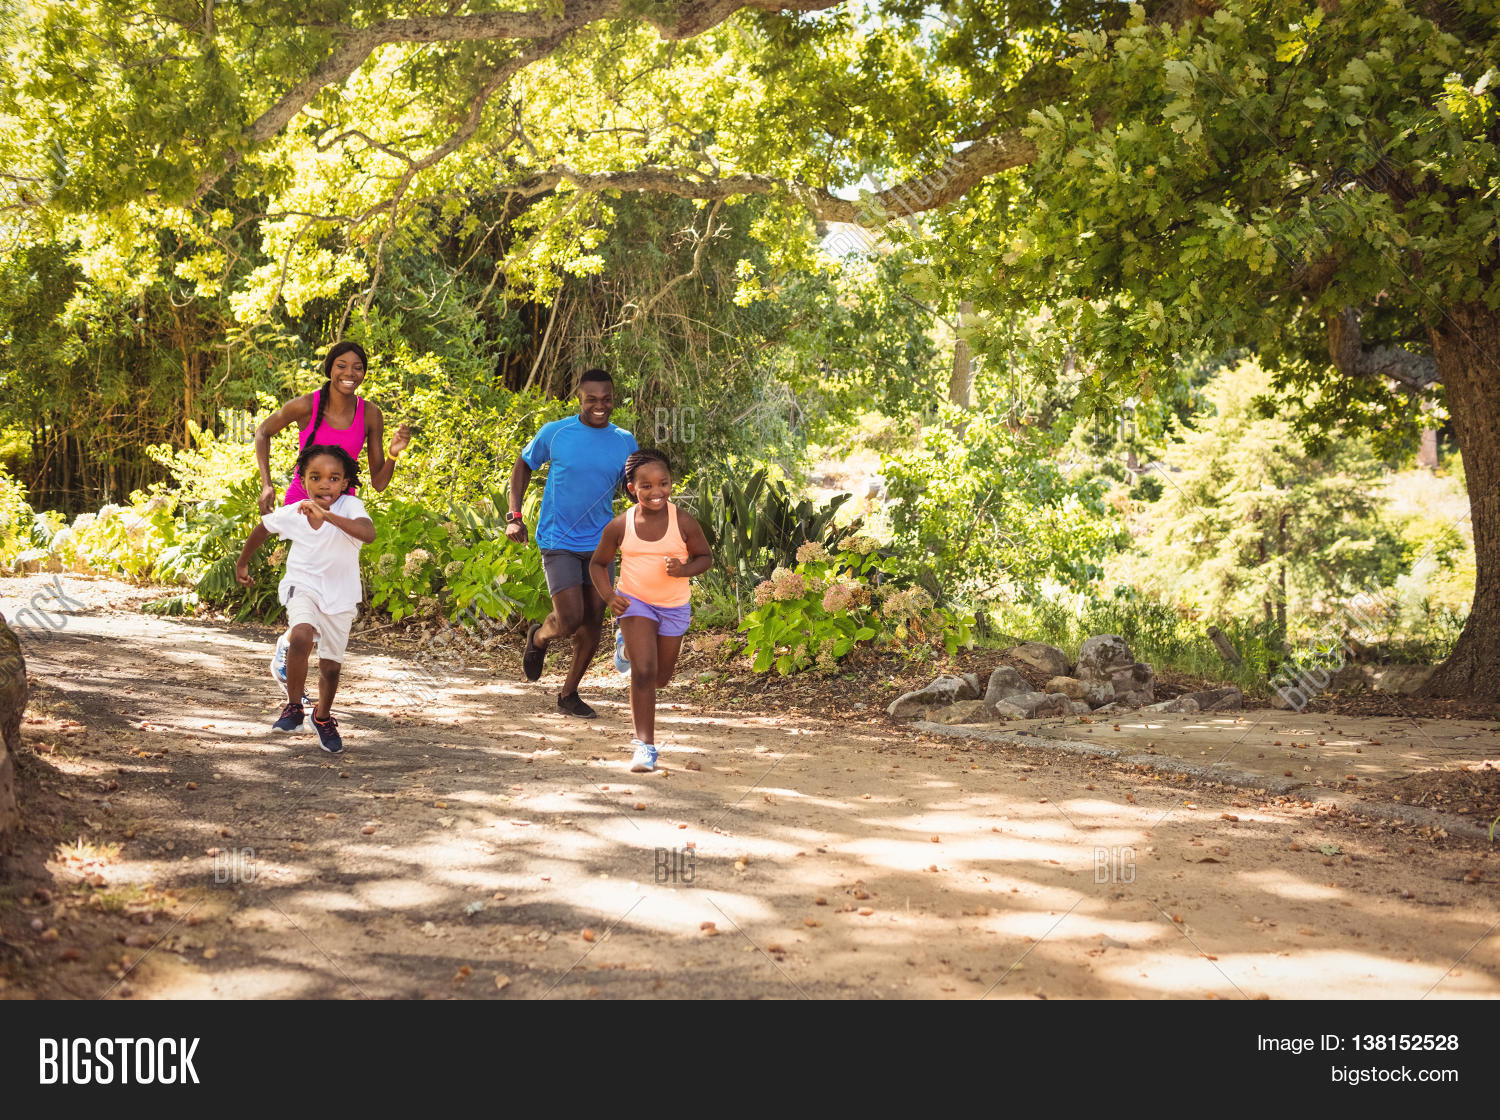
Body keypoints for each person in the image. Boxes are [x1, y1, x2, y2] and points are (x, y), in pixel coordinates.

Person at [507, 368, 637, 718]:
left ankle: (568, 694)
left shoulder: (625, 441)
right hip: (558, 538)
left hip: (600, 542)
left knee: (593, 619)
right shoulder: (557, 432)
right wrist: (513, 515)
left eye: (606, 399)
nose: (600, 406)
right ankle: (538, 637)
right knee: (569, 618)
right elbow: (523, 463)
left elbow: (636, 486)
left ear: (613, 399)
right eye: (592, 399)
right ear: (579, 398)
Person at [235, 444, 374, 755]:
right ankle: (294, 706)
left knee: (331, 669)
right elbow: (263, 528)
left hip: (340, 596)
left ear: (346, 482)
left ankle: (322, 718)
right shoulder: (296, 511)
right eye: (316, 477)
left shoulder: (351, 507)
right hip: (303, 585)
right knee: (300, 635)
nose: (325, 484)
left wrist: (327, 516)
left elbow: (368, 533)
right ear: (304, 480)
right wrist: (242, 563)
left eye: (334, 478)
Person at [590, 449, 712, 772]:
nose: (656, 492)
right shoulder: (621, 525)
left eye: (663, 484)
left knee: (660, 677)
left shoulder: (682, 521)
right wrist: (608, 596)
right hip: (634, 603)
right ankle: (645, 747)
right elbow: (598, 564)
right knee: (644, 672)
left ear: (671, 483)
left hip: (673, 608)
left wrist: (683, 569)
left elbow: (705, 558)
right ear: (632, 489)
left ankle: (626, 652)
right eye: (646, 486)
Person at [254, 340, 411, 514]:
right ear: (330, 370)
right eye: (341, 366)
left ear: (364, 373)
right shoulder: (305, 406)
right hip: (300, 507)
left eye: (357, 368)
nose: (349, 373)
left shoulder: (370, 414)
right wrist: (267, 485)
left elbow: (379, 484)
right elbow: (262, 432)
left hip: (342, 512)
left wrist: (393, 453)